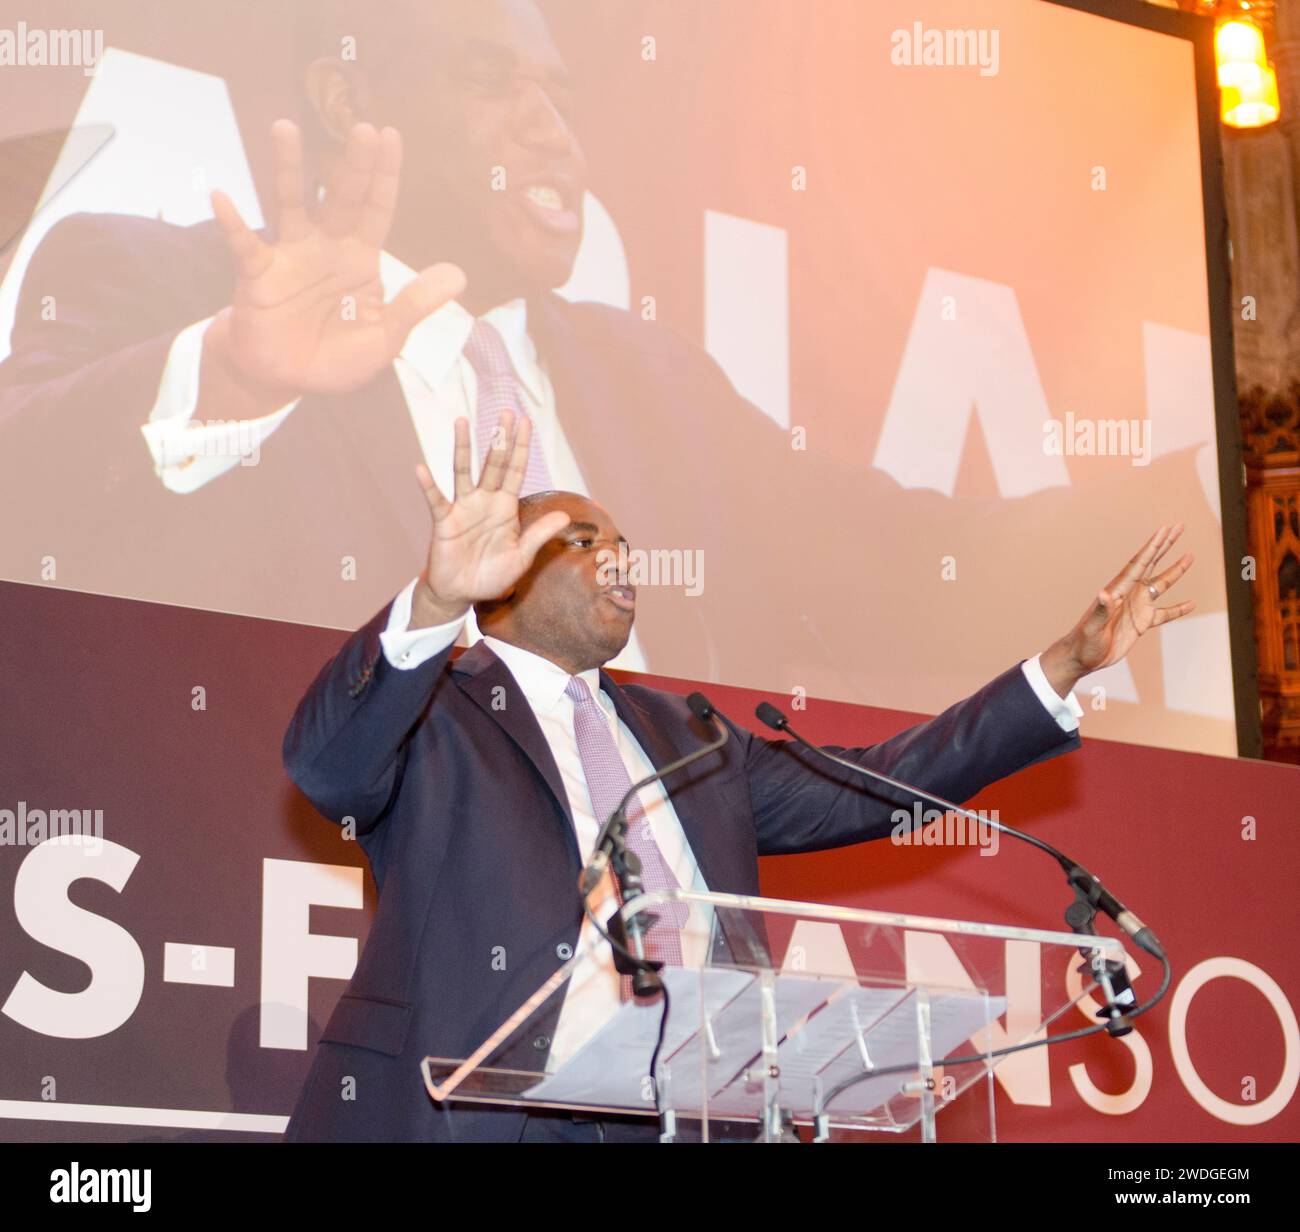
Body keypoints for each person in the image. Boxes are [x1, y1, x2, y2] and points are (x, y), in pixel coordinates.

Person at [0, 0, 1215, 715]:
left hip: (663, 1000)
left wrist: (1210, 513)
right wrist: (233, 376)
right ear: (341, 98)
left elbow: (910, 571)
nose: (553, 133)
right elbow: (30, 501)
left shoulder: (657, 385)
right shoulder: (169, 288)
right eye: (494, 83)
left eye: (563, 98)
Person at [279, 410, 1195, 1142]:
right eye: (582, 541)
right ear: (501, 577)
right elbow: (324, 766)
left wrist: (1062, 670)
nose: (621, 560)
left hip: (700, 1108)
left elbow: (887, 780)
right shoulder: (434, 711)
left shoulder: (692, 734)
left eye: (627, 545)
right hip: (486, 1114)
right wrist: (436, 601)